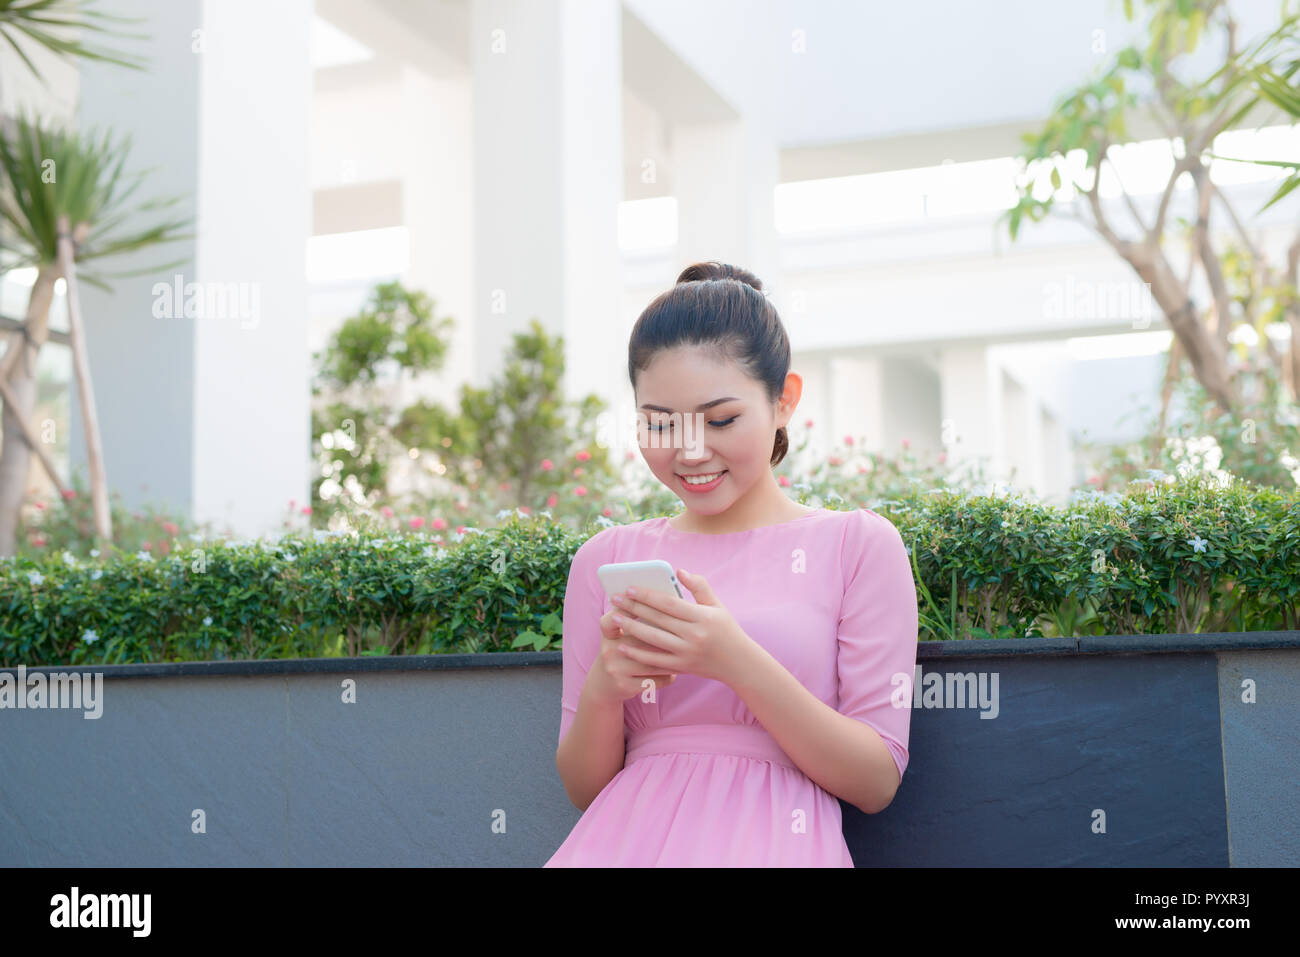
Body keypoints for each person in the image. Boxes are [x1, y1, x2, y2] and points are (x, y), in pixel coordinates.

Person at [546, 261, 919, 866]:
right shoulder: (606, 560)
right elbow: (586, 790)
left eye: (721, 420)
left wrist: (734, 660)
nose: (690, 451)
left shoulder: (857, 546)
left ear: (783, 401)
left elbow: (875, 781)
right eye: (660, 423)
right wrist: (604, 692)